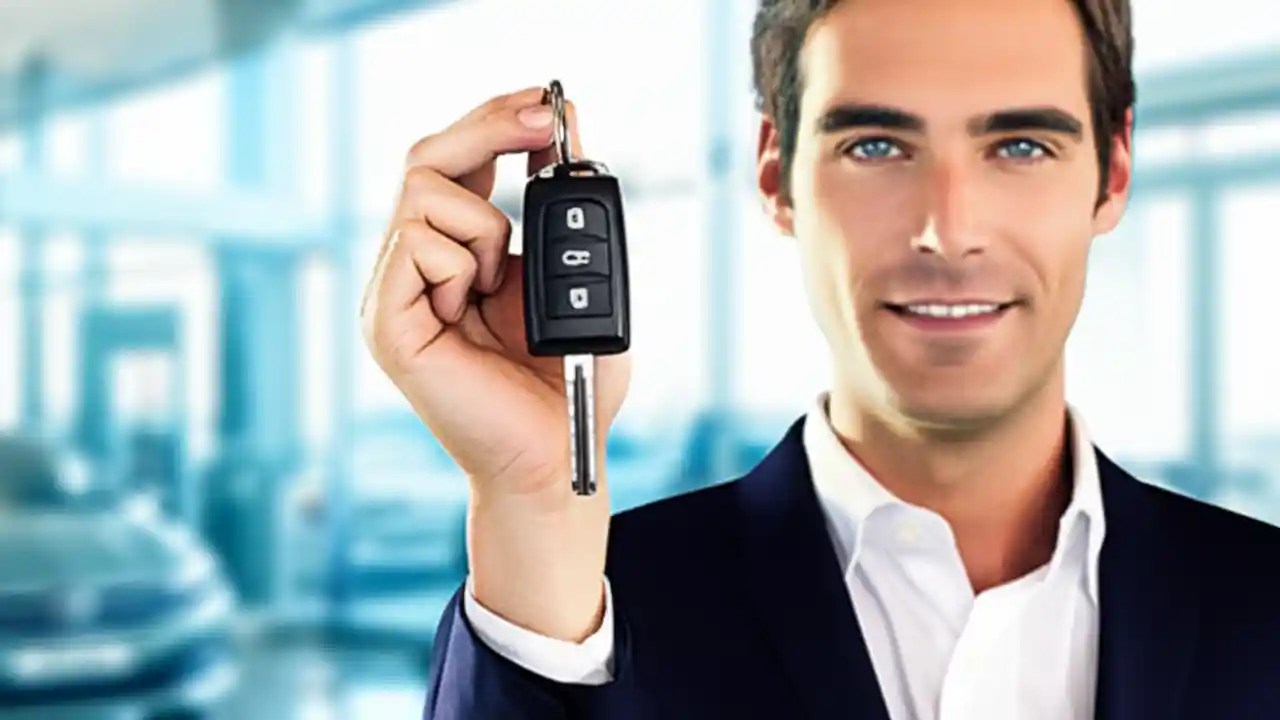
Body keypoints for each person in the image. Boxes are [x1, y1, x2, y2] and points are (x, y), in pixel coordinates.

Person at [360, 0, 1280, 717]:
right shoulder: (581, 612)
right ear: (777, 174)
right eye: (876, 145)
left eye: (1021, 145)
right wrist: (530, 502)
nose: (947, 230)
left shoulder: (1261, 603)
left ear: (1113, 171)